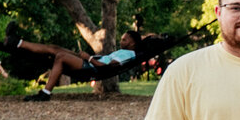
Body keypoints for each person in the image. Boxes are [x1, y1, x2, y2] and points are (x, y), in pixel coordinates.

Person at [8, 28, 141, 101]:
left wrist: (88, 58)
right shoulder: (123, 51)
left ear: (133, 43)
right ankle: (18, 43)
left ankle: (45, 93)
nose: (121, 41)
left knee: (60, 56)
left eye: (124, 39)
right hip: (91, 62)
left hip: (92, 68)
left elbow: (106, 67)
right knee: (55, 48)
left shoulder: (128, 54)